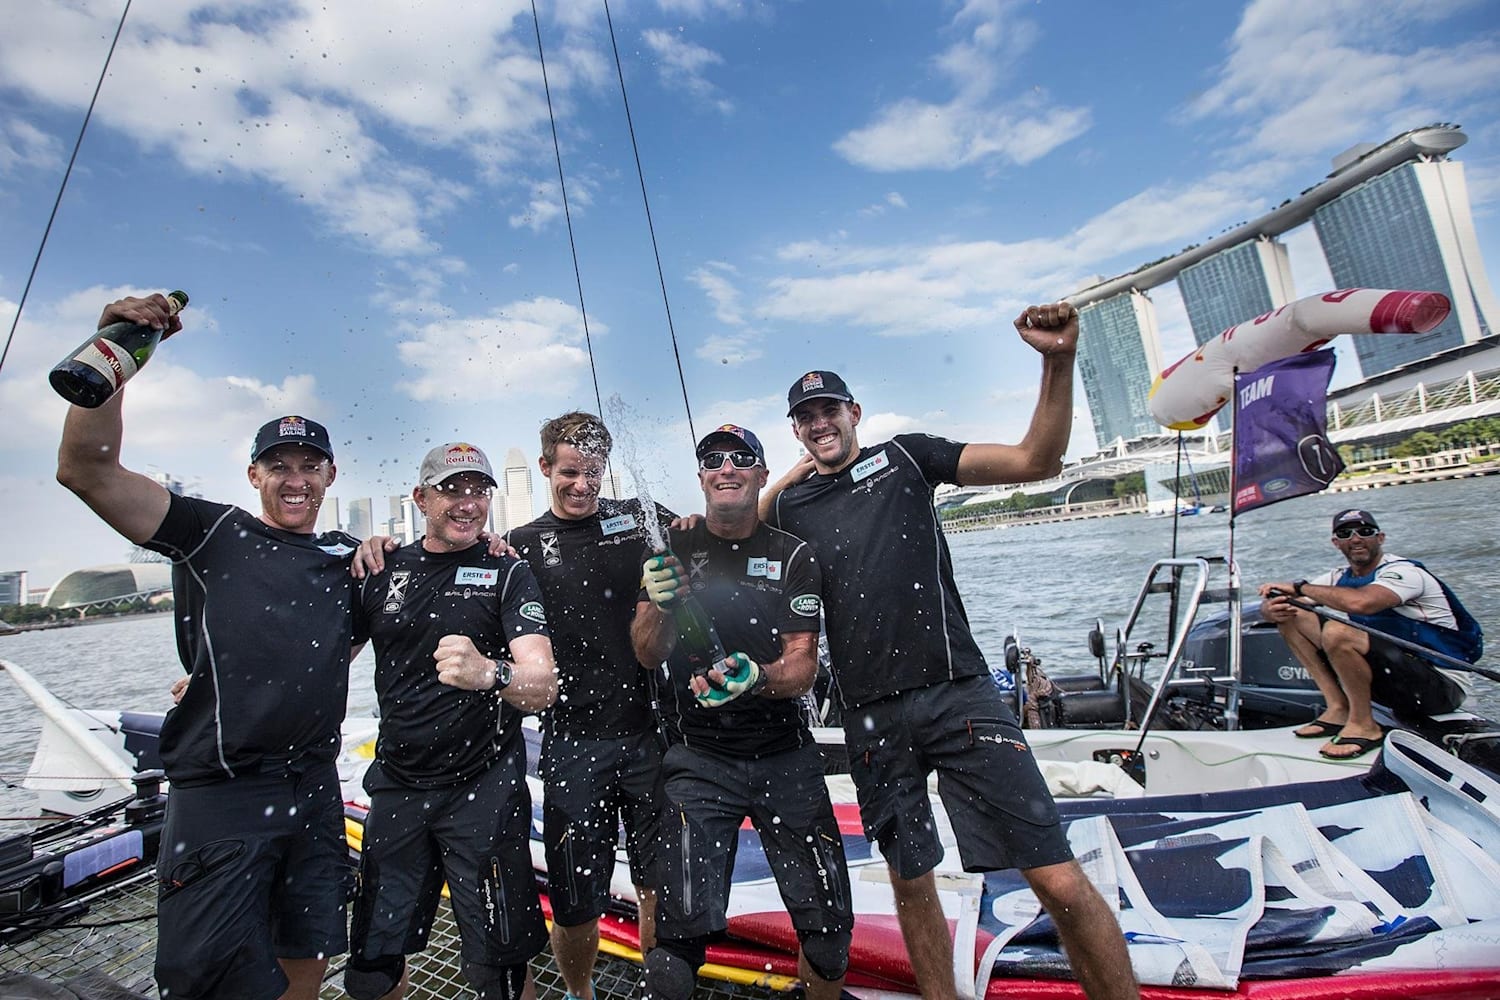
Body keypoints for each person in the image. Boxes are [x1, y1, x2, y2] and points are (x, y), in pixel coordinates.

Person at [760, 304, 1139, 1000]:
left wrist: (1057, 360)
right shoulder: (790, 507)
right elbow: (741, 523)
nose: (821, 423)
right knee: (911, 881)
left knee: (1054, 875)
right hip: (870, 718)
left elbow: (1038, 460)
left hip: (958, 695)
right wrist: (796, 470)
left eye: (830, 410)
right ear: (796, 430)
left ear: (855, 410)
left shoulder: (905, 457)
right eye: (806, 417)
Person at [55, 295, 360, 1000]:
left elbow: (357, 632)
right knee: (206, 978)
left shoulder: (350, 560)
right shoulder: (210, 531)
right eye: (277, 465)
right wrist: (113, 352)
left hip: (314, 786)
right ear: (254, 474)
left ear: (330, 476)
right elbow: (87, 470)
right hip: (222, 790)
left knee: (306, 951)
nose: (295, 479)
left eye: (309, 465)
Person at [632, 424, 852, 1000]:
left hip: (787, 756)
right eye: (712, 459)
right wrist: (657, 605)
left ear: (759, 474)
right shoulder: (671, 547)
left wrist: (758, 677)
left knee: (829, 939)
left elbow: (802, 665)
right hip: (699, 761)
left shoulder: (792, 554)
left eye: (741, 459)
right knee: (673, 952)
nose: (725, 466)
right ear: (702, 477)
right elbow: (647, 652)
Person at [345, 442, 558, 1000]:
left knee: (501, 969)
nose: (468, 503)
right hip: (398, 787)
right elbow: (318, 663)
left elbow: (543, 685)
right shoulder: (379, 568)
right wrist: (211, 680)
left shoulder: (508, 571)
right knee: (373, 966)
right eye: (451, 490)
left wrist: (490, 672)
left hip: (482, 790)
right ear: (420, 498)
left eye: (478, 490)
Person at [504, 412, 672, 1000]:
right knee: (576, 899)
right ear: (546, 466)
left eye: (593, 472)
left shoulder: (637, 518)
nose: (582, 485)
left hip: (647, 736)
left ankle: (657, 988)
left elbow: (710, 530)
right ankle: (581, 993)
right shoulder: (521, 545)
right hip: (573, 743)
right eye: (570, 472)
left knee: (659, 885)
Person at [1258, 507, 1483, 760]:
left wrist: (1300, 587)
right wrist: (1270, 610)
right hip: (1396, 676)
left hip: (1441, 685)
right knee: (1293, 617)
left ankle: (1365, 725)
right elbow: (1289, 601)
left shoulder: (1406, 573)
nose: (1355, 539)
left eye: (1365, 532)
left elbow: (1361, 603)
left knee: (1339, 631)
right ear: (1336, 543)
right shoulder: (1338, 577)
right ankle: (1338, 708)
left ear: (1380, 538)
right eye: (1345, 534)